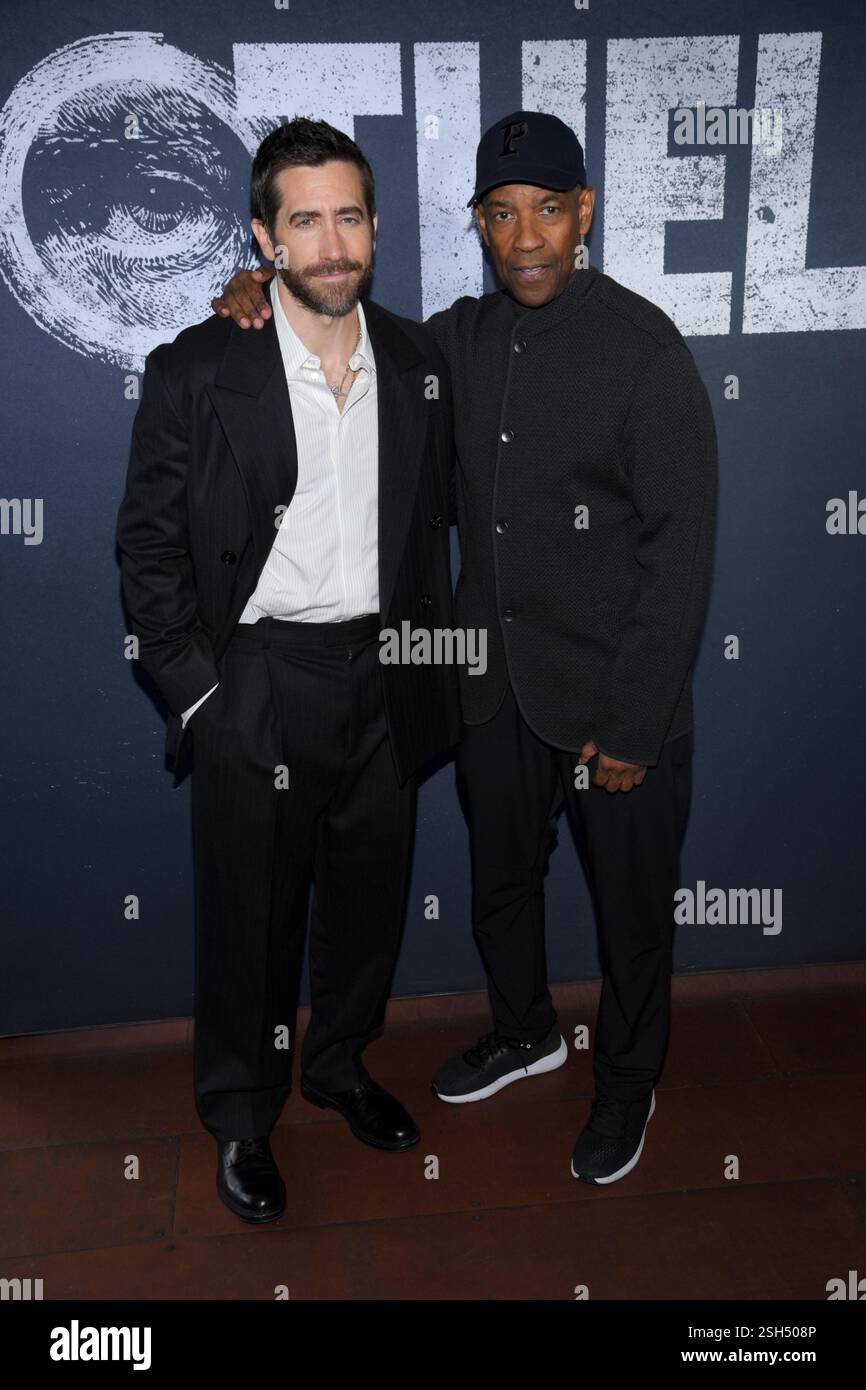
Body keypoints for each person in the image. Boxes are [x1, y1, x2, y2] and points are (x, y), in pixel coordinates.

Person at [210, 110, 718, 1185]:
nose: (525, 237)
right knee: (500, 889)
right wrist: (255, 289)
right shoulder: (455, 341)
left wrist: (631, 723)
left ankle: (625, 1085)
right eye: (501, 214)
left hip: (615, 704)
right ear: (477, 224)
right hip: (491, 690)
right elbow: (335, 321)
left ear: (583, 212)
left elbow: (678, 556)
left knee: (631, 920)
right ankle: (524, 1029)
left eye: (546, 209)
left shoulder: (644, 351)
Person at [116, 118, 461, 1223]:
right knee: (248, 920)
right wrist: (203, 698)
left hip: (384, 673)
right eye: (301, 220)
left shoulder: (416, 363)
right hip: (258, 675)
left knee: (367, 903)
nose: (329, 244)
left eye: (347, 216)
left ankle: (340, 1066)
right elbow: (148, 548)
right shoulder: (198, 367)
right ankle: (241, 1117)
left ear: (373, 228)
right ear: (262, 237)